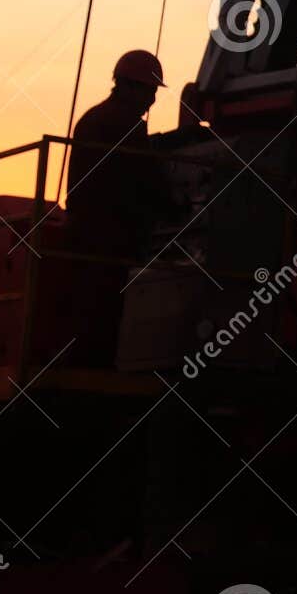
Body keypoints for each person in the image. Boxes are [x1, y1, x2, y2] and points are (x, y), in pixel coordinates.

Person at [64, 50, 173, 366]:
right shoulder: (124, 125)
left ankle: (83, 361)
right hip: (110, 238)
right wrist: (174, 206)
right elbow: (147, 179)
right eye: (150, 91)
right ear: (131, 87)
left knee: (86, 310)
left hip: (86, 231)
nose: (152, 100)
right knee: (108, 312)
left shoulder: (92, 118)